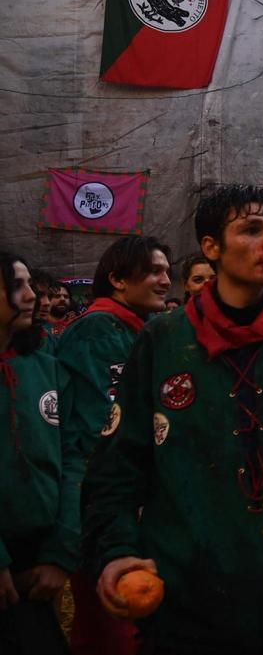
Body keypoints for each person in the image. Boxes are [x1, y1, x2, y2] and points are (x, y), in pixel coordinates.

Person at [83, 185, 263, 653]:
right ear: (211, 247)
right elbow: (117, 466)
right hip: (190, 602)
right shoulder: (163, 341)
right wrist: (117, 550)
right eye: (251, 229)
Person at [56, 235, 172, 655]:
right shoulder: (98, 331)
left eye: (167, 271)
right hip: (102, 504)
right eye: (154, 271)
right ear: (118, 279)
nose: (166, 280)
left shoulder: (134, 328)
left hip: (123, 502)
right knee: (112, 629)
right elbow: (101, 428)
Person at [0, 252, 77, 655]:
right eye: (17, 285)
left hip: (37, 557)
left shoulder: (47, 367)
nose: (33, 296)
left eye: (32, 284)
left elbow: (74, 457)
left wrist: (60, 552)